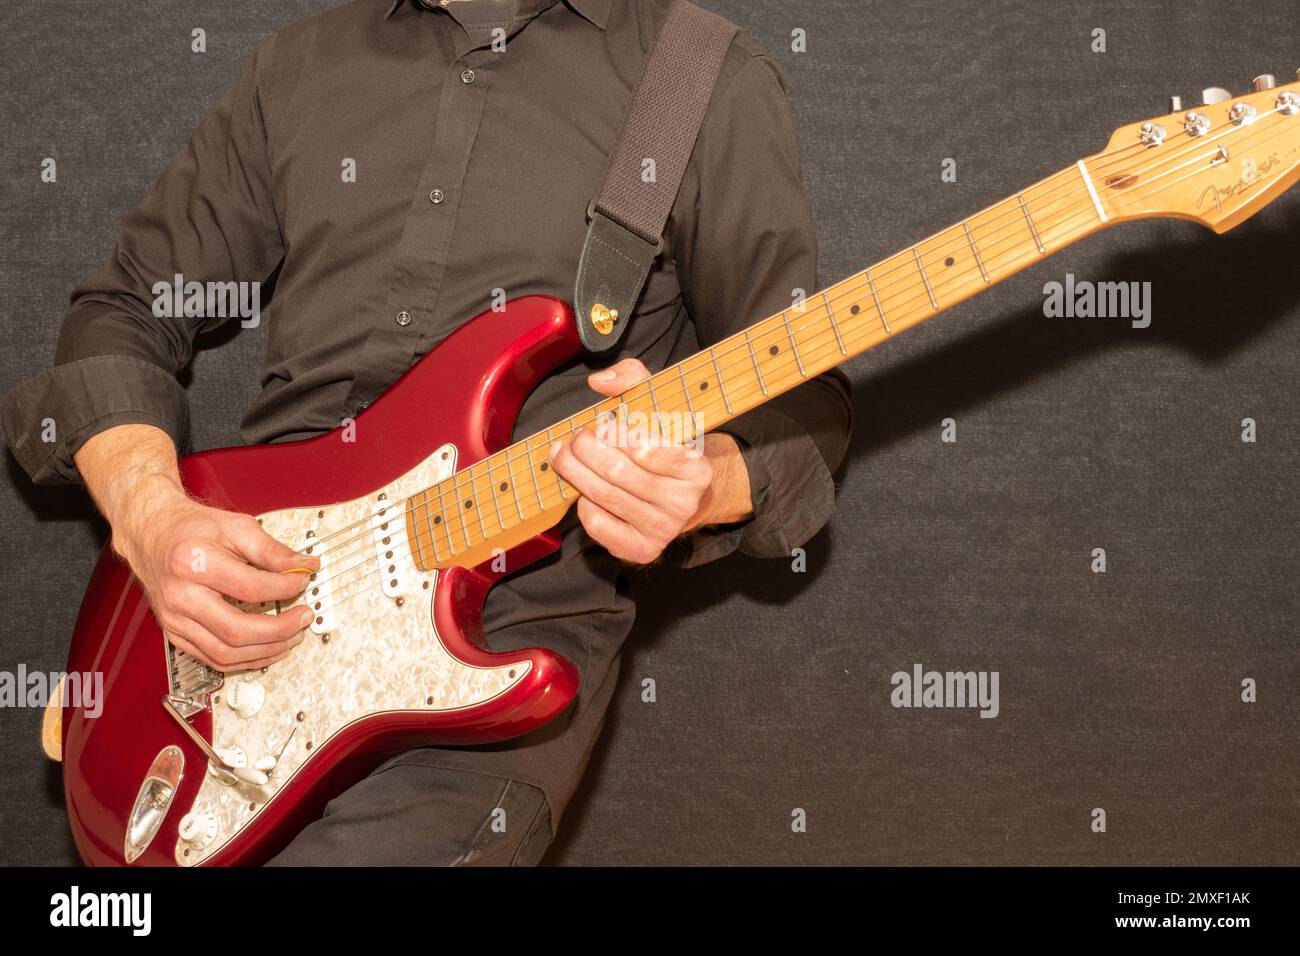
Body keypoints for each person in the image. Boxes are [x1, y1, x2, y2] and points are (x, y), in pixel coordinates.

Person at [0, 0, 851, 865]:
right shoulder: (303, 63)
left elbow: (803, 406)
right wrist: (150, 518)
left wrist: (708, 481)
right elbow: (125, 307)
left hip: (488, 676)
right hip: (232, 637)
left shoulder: (697, 80)